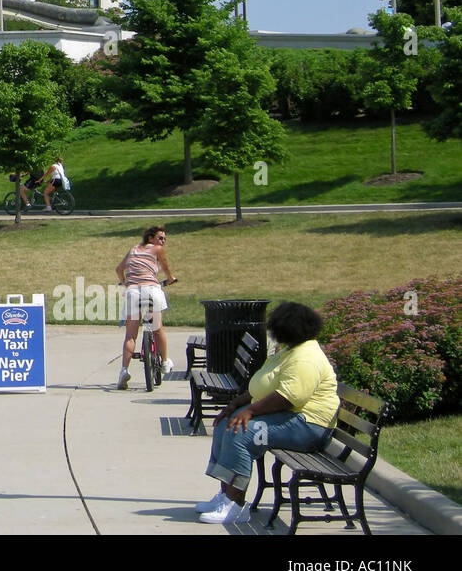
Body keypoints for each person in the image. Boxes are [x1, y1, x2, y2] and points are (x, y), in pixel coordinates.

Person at [196, 301, 339, 525]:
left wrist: (251, 410)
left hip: (309, 426)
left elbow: (289, 397)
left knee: (241, 433)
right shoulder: (288, 351)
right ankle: (225, 496)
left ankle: (236, 507)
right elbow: (265, 386)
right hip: (292, 418)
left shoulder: (306, 358)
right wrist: (237, 404)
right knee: (226, 424)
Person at [114, 225, 177, 389]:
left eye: (164, 239)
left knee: (130, 335)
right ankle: (164, 362)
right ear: (150, 238)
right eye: (160, 237)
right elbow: (166, 268)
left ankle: (124, 371)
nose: (162, 241)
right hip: (151, 290)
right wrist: (170, 279)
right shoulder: (156, 250)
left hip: (133, 292)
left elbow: (119, 269)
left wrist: (124, 282)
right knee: (157, 329)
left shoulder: (133, 249)